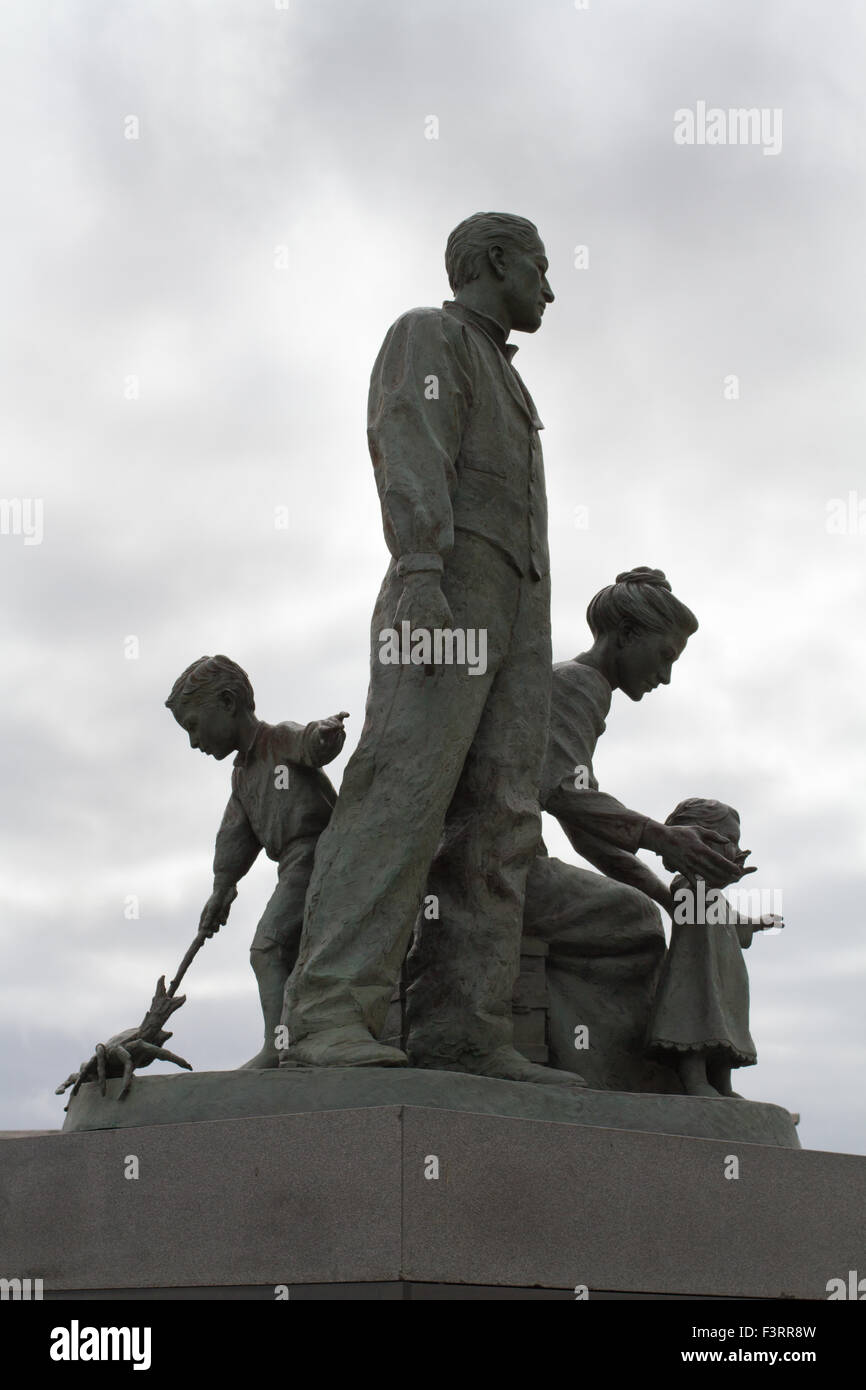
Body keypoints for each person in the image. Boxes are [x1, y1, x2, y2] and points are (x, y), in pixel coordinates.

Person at [284, 212, 581, 1085]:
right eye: (540, 267)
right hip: (447, 586)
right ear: (494, 261)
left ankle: (462, 1027)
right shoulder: (431, 334)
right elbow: (408, 444)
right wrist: (419, 569)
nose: (550, 289)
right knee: (402, 791)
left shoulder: (511, 379)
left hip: (519, 606)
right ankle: (333, 1013)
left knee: (500, 815)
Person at [521, 568, 752, 1091]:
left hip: (504, 861)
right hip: (504, 866)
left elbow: (583, 828)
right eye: (665, 656)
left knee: (639, 914)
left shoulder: (577, 686)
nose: (665, 676)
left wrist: (667, 896)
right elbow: (567, 796)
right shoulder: (578, 684)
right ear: (625, 636)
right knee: (636, 924)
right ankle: (619, 1068)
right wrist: (667, 841)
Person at [166, 654, 347, 1068]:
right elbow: (235, 835)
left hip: (316, 855)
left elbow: (310, 742)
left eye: (194, 725)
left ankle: (278, 1046)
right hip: (293, 866)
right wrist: (221, 889)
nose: (194, 742)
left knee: (267, 947)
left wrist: (324, 734)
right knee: (294, 954)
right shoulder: (242, 775)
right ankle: (300, 1039)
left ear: (228, 702)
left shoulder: (278, 740)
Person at [646, 798, 781, 1097]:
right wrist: (718, 878)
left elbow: (728, 918)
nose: (735, 849)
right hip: (697, 972)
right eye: (729, 840)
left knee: (724, 1021)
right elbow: (695, 903)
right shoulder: (685, 884)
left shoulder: (712, 893)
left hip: (723, 970)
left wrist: (758, 922)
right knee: (698, 1017)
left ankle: (722, 1083)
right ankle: (694, 1079)